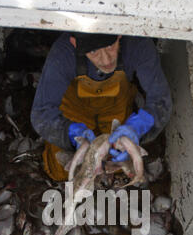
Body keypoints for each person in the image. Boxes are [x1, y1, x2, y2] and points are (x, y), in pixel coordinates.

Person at [31, 32, 172, 181]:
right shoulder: (62, 52)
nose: (106, 60)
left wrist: (137, 128)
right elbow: (42, 113)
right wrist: (71, 134)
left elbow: (161, 101)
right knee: (61, 170)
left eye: (110, 46)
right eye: (93, 51)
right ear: (74, 43)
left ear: (119, 36)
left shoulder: (138, 43)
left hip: (116, 106)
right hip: (75, 109)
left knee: (117, 164)